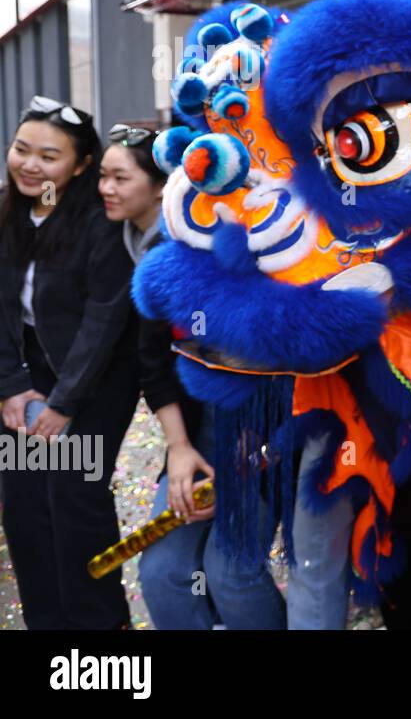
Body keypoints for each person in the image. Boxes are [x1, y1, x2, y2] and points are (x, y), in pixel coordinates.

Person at [99, 123, 286, 629]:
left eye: (120, 177)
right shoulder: (158, 260)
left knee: (230, 572)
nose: (107, 189)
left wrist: (255, 457)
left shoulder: (280, 251)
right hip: (197, 435)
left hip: (267, 436)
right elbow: (154, 364)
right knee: (162, 571)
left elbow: (295, 367)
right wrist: (180, 451)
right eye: (103, 176)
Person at [0, 96, 138, 629]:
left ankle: (101, 629)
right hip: (28, 373)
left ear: (80, 165)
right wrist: (12, 387)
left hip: (97, 377)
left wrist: (63, 405)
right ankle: (48, 625)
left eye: (49, 156)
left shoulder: (98, 223)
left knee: (74, 495)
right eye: (21, 149)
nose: (30, 165)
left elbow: (103, 324)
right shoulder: (11, 212)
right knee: (27, 504)